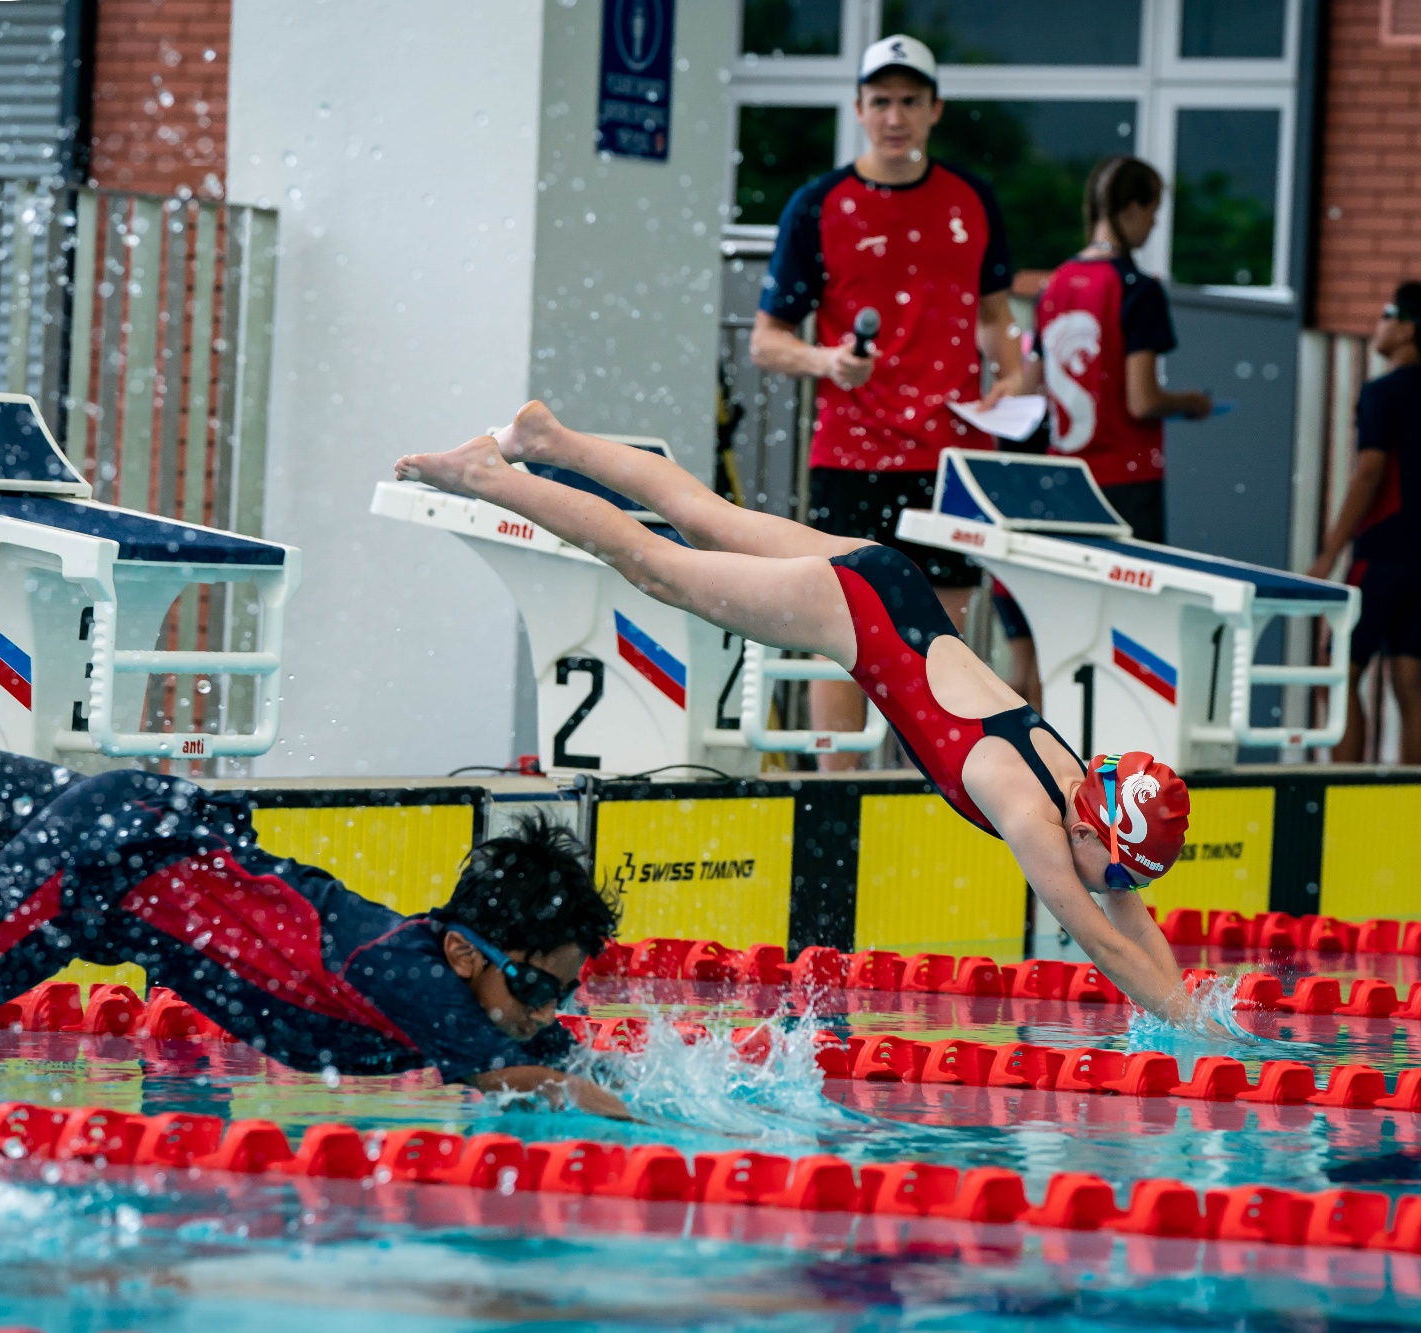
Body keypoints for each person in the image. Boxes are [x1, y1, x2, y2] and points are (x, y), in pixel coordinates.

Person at [396, 402, 1199, 1021]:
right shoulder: (1031, 810)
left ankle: (548, 437)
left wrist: (1193, 1008)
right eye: (1124, 869)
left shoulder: (1085, 793)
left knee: (703, 516)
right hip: (855, 616)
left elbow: (1130, 911)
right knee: (659, 568)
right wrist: (1192, 1029)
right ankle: (488, 476)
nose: (1123, 886)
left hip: (892, 585)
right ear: (1093, 832)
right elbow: (1098, 938)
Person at [0, 616, 629, 1118]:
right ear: (465, 951)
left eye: (559, 994)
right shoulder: (420, 983)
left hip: (138, 823)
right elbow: (526, 1082)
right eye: (534, 985)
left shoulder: (476, 987)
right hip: (108, 865)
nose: (543, 1011)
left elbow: (573, 1059)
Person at [748, 33, 1021, 771]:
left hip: (949, 458)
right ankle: (838, 800)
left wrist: (1014, 374)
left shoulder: (971, 199)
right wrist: (827, 361)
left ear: (935, 109)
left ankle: (929, 801)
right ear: (859, 109)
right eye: (881, 101)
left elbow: (996, 317)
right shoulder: (818, 205)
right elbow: (766, 341)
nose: (894, 116)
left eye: (909, 101)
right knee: (845, 634)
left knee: (944, 647)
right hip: (851, 453)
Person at [989, 156, 1213, 699]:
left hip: (1065, 485)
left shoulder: (1056, 285)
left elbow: (1034, 386)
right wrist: (1191, 402)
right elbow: (1141, 398)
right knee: (1126, 639)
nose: (1153, 228)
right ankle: (1113, 771)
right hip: (1125, 484)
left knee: (1056, 637)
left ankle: (1039, 770)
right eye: (1153, 215)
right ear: (1132, 209)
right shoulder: (1137, 289)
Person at [1307, 280, 1421, 764]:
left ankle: (1348, 789)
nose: (1379, 321)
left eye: (1387, 312)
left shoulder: (1382, 392)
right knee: (1411, 680)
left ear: (1406, 329)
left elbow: (1370, 472)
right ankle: (1420, 795)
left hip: (1384, 548)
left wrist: (1330, 552)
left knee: (1335, 671)